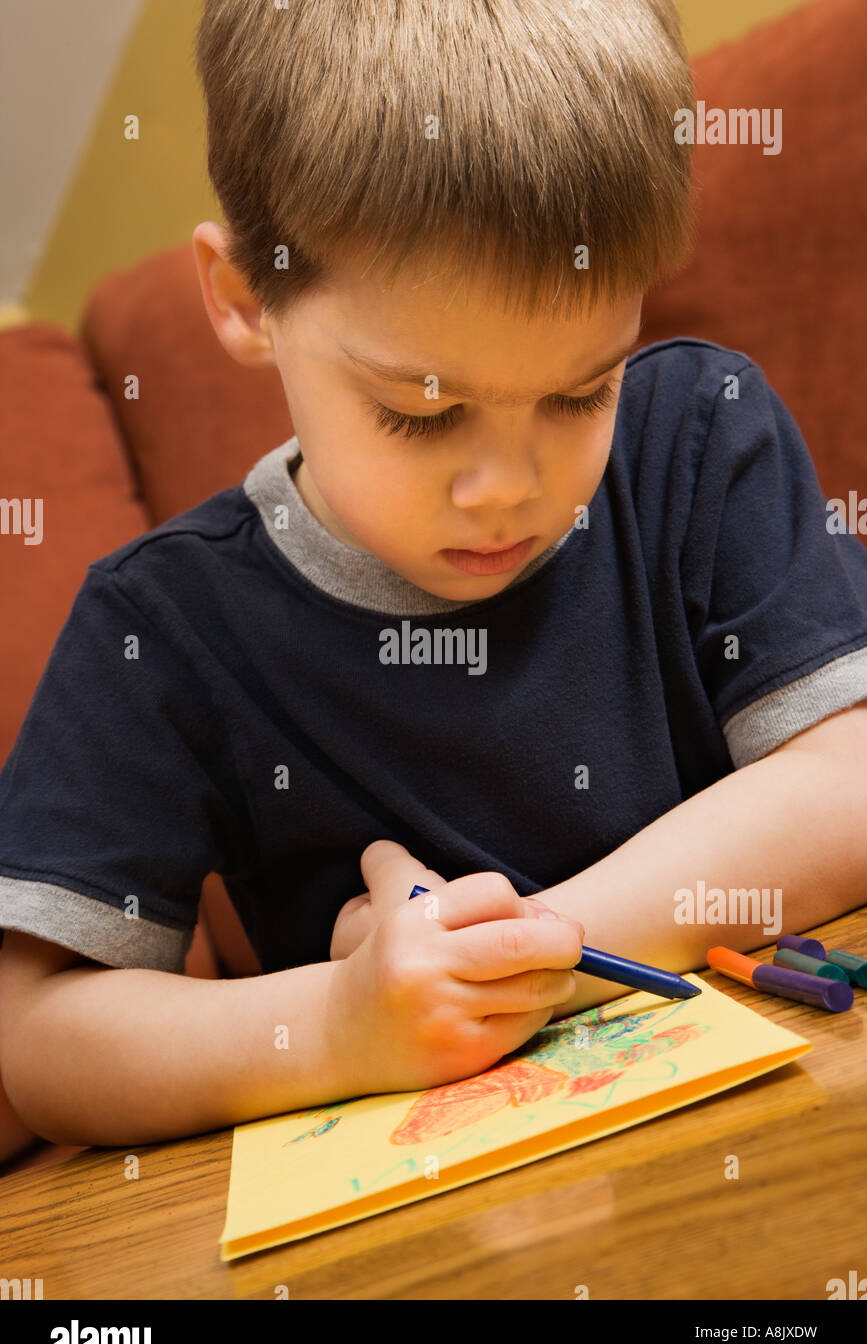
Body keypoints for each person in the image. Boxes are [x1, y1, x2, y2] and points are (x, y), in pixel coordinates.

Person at [1, 0, 865, 1153]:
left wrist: (509, 958)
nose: (506, 485)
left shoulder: (697, 438)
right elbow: (37, 1036)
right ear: (246, 299)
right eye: (425, 409)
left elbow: (847, 779)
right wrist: (340, 1027)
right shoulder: (160, 628)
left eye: (580, 389)